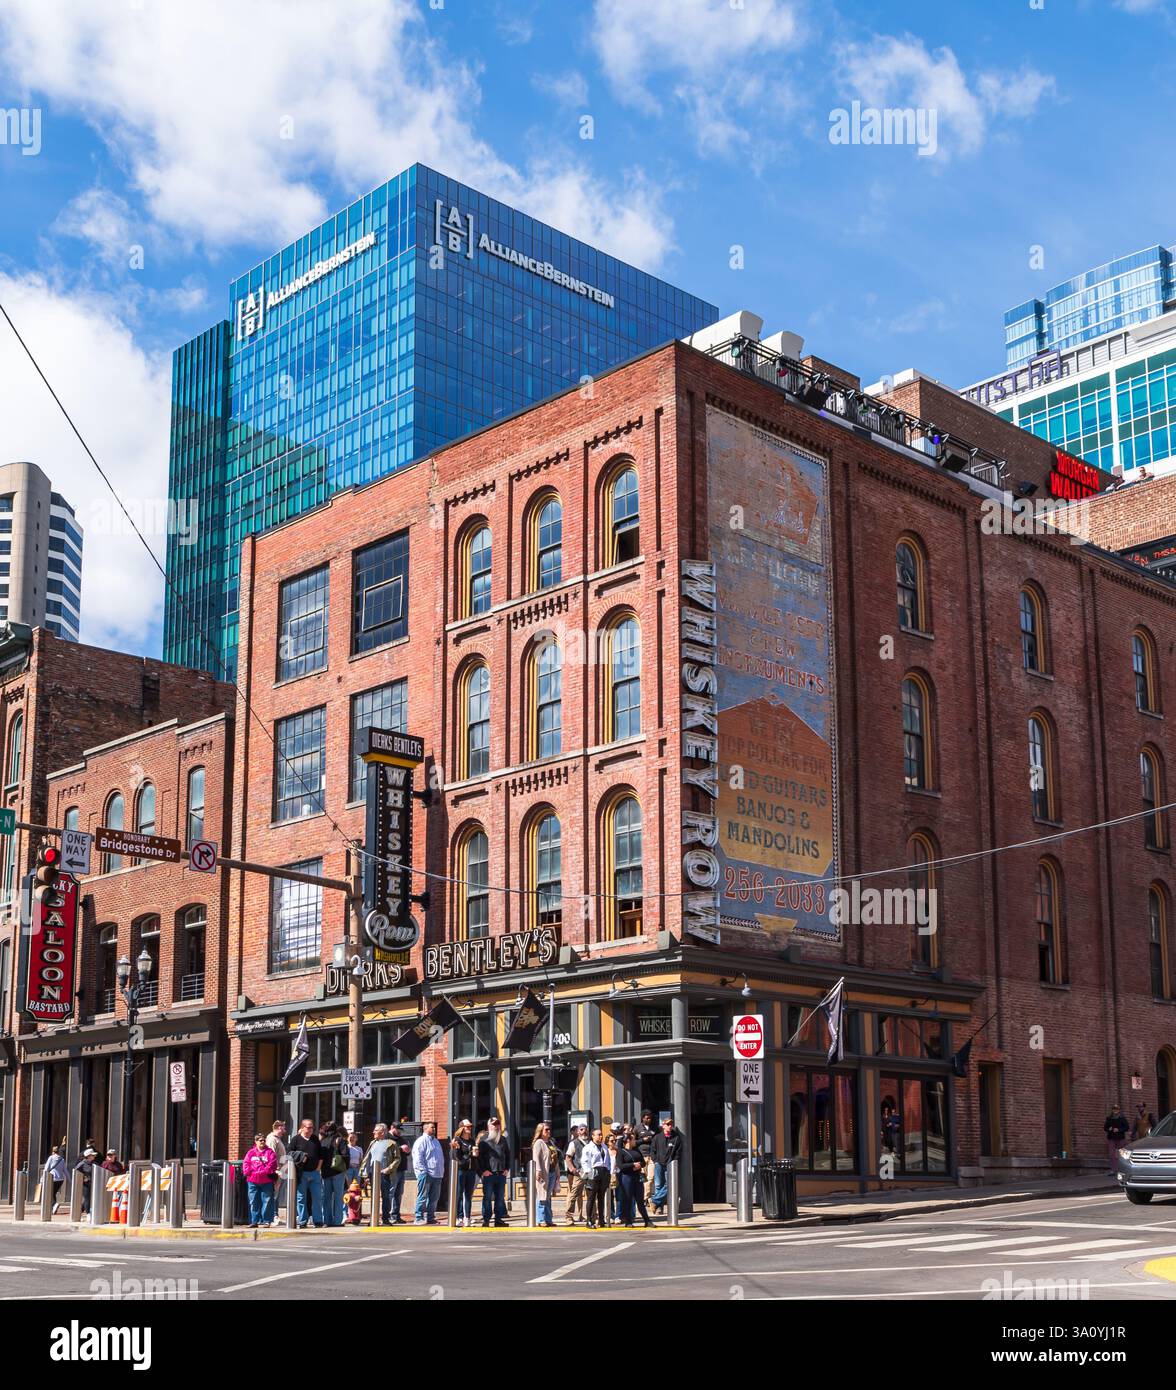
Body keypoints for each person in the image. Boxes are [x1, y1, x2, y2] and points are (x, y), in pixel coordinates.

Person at [476, 1113, 512, 1227]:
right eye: (494, 1124)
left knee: (500, 1198)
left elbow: (508, 1155)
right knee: (487, 1198)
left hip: (501, 1174)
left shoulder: (503, 1139)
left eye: (498, 1124)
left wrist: (507, 1169)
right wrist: (483, 1171)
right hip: (489, 1174)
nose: (496, 1126)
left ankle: (498, 1219)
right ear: (489, 1126)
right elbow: (479, 1158)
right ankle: (486, 1220)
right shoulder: (483, 1140)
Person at [288, 1117, 325, 1228]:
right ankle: (302, 1221)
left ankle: (318, 1221)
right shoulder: (296, 1139)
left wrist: (318, 1168)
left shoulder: (315, 1139)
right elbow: (288, 1154)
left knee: (317, 1197)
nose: (311, 1130)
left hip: (314, 1173)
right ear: (302, 1128)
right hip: (301, 1173)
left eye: (312, 1127)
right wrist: (300, 1155)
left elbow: (321, 1155)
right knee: (301, 1198)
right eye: (308, 1127)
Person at [617, 1131, 654, 1228]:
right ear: (628, 1140)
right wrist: (632, 1165)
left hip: (637, 1177)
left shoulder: (636, 1150)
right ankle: (628, 1221)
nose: (635, 1141)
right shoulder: (621, 1151)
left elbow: (643, 1162)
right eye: (633, 1139)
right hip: (627, 1177)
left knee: (640, 1200)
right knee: (628, 1200)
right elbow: (620, 1166)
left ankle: (647, 1220)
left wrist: (639, 1165)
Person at [242, 1132, 279, 1227]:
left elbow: (272, 1165)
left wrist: (262, 1172)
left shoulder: (270, 1152)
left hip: (266, 1181)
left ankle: (266, 1221)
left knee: (267, 1201)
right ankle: (254, 1221)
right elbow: (246, 1164)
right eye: (260, 1140)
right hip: (252, 1181)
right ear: (256, 1141)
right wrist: (250, 1173)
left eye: (264, 1140)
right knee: (253, 1201)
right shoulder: (251, 1152)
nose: (262, 1142)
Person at [412, 1121, 445, 1225]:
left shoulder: (436, 1141)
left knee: (434, 1198)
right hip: (426, 1174)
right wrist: (423, 1171)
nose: (434, 1129)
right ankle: (418, 1217)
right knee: (423, 1196)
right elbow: (418, 1157)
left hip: (437, 1174)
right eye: (432, 1127)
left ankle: (430, 1217)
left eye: (434, 1127)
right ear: (425, 1129)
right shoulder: (421, 1141)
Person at [361, 1123, 395, 1225]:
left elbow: (397, 1158)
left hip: (384, 1174)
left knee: (385, 1196)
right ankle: (373, 1218)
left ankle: (385, 1218)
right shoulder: (372, 1143)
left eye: (376, 1130)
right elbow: (368, 1158)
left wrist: (388, 1169)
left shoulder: (390, 1143)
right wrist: (366, 1174)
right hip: (373, 1173)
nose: (373, 1132)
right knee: (373, 1197)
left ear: (382, 1132)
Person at [650, 1116, 684, 1215]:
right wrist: (655, 1160)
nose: (670, 1126)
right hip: (659, 1164)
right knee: (658, 1185)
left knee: (670, 1184)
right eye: (668, 1124)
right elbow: (652, 1150)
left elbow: (678, 1151)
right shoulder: (657, 1137)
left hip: (670, 1165)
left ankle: (654, 1200)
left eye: (671, 1124)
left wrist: (674, 1161)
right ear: (663, 1126)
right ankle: (659, 1208)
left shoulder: (676, 1138)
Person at [580, 1127, 611, 1230]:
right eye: (598, 1134)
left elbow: (608, 1160)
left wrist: (608, 1170)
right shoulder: (588, 1147)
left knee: (601, 1197)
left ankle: (601, 1219)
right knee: (591, 1198)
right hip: (593, 1172)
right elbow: (584, 1161)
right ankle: (589, 1220)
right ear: (592, 1136)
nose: (600, 1136)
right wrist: (589, 1172)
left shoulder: (604, 1146)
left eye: (601, 1134)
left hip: (603, 1172)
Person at [320, 1121, 350, 1227]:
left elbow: (320, 1157)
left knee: (326, 1197)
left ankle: (326, 1220)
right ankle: (337, 1221)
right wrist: (345, 1167)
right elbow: (346, 1155)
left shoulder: (322, 1141)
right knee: (338, 1196)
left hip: (325, 1172)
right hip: (338, 1171)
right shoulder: (340, 1140)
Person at [450, 1118, 478, 1227]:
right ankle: (458, 1217)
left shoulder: (472, 1140)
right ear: (462, 1127)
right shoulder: (457, 1140)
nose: (469, 1128)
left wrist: (475, 1155)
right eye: (467, 1127)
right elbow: (457, 1157)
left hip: (471, 1170)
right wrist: (469, 1156)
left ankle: (467, 1217)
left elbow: (473, 1154)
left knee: (468, 1195)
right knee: (459, 1194)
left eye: (470, 1127)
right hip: (461, 1170)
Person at [531, 1122, 558, 1227]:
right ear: (540, 1131)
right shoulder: (539, 1142)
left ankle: (548, 1219)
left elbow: (555, 1158)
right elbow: (536, 1158)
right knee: (542, 1195)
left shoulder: (550, 1142)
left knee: (547, 1197)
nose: (548, 1131)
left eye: (549, 1129)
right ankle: (541, 1219)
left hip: (552, 1172)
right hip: (543, 1172)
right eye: (546, 1129)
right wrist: (538, 1170)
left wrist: (557, 1173)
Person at [385, 1123, 412, 1224]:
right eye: (398, 1130)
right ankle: (389, 1215)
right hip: (393, 1169)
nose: (400, 1132)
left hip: (402, 1169)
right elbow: (387, 1151)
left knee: (398, 1193)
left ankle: (396, 1215)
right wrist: (401, 1149)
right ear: (392, 1128)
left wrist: (408, 1150)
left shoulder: (401, 1138)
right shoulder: (387, 1137)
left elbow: (408, 1152)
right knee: (391, 1192)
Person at [564, 1124, 588, 1225]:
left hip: (590, 1172)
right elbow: (568, 1158)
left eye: (585, 1129)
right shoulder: (574, 1143)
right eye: (582, 1129)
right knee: (573, 1194)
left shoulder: (591, 1142)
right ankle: (568, 1217)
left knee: (592, 1195)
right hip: (579, 1173)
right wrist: (573, 1169)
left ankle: (593, 1216)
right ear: (578, 1132)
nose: (584, 1131)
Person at [636, 1111, 657, 1202]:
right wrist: (642, 1140)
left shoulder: (655, 1128)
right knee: (643, 1178)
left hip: (652, 1156)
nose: (649, 1120)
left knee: (651, 1177)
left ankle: (645, 1198)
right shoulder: (637, 1128)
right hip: (641, 1156)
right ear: (643, 1118)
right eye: (647, 1118)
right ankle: (646, 1198)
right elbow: (633, 1142)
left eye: (650, 1118)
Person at [1104, 1104, 1129, 1176]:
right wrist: (1109, 1129)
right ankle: (1113, 1170)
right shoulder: (1109, 1118)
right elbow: (1105, 1128)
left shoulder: (1122, 1118)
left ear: (1119, 1110)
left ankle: (1122, 1169)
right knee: (1112, 1155)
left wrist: (1119, 1129)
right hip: (1111, 1138)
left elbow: (1126, 1127)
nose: (1115, 1110)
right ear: (1112, 1110)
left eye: (1117, 1109)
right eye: (1114, 1109)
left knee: (1122, 1154)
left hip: (1120, 1138)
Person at [42, 1146, 67, 1215]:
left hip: (52, 1178)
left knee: (50, 1193)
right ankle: (53, 1208)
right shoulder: (62, 1159)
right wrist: (70, 1180)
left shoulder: (51, 1158)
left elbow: (46, 1168)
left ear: (53, 1151)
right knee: (53, 1193)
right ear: (58, 1152)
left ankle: (55, 1204)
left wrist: (42, 1178)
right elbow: (65, 1171)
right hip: (60, 1180)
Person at [73, 1147, 98, 1216]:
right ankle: (88, 1214)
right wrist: (83, 1177)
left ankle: (82, 1210)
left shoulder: (94, 1163)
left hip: (94, 1183)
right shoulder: (82, 1163)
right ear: (88, 1156)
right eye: (93, 1155)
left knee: (91, 1198)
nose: (94, 1156)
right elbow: (76, 1171)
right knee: (87, 1198)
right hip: (86, 1184)